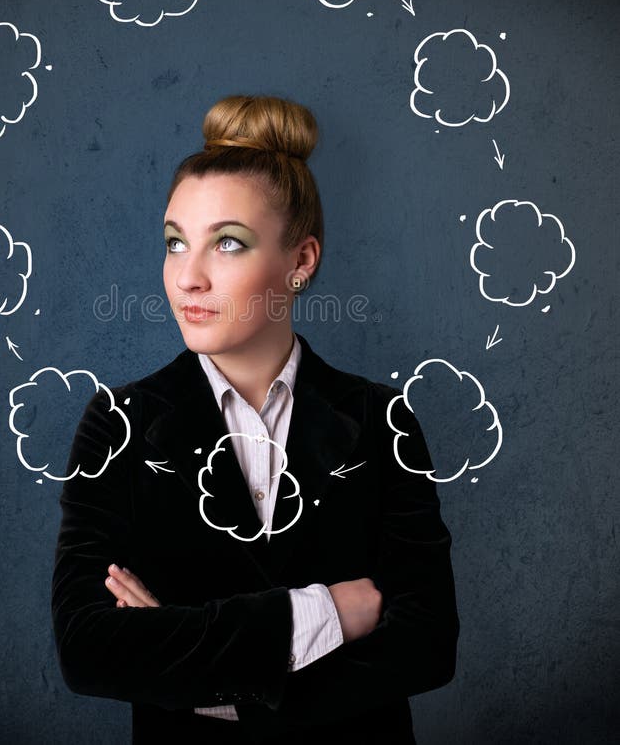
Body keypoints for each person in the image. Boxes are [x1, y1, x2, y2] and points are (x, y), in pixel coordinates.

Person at [51, 95, 460, 744]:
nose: (187, 277)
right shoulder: (118, 424)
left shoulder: (380, 420)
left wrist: (198, 676)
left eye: (228, 243)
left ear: (300, 261)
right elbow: (89, 648)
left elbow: (426, 644)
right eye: (174, 243)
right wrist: (325, 611)